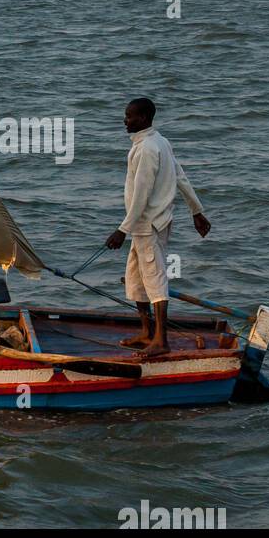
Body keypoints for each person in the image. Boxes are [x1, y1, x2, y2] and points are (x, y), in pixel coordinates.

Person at [105, 97, 211, 356]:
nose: (125, 120)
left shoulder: (147, 148)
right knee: (135, 278)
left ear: (143, 119)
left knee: (154, 279)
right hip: (145, 225)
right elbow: (181, 177)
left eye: (129, 116)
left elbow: (142, 194)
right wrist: (197, 211)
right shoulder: (160, 141)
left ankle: (161, 341)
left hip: (148, 224)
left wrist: (122, 230)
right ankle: (146, 332)